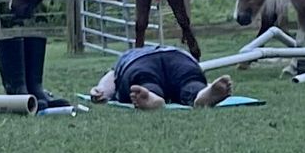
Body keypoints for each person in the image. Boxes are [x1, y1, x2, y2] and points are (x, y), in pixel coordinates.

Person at [90, 44, 233, 110]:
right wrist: (207, 85)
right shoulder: (175, 49)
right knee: (191, 81)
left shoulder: (130, 54)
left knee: (145, 81)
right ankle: (201, 94)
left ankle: (151, 95)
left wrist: (101, 89)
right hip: (180, 58)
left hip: (139, 62)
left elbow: (112, 75)